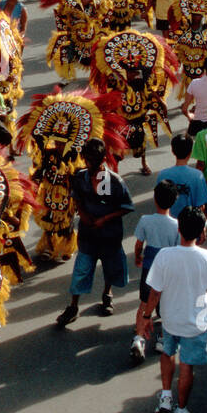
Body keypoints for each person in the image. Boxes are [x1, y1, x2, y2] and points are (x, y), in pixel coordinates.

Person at [137, 207, 207, 413]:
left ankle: (166, 395)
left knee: (167, 353)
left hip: (170, 319)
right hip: (196, 324)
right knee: (187, 367)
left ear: (179, 229)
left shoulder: (165, 256)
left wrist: (147, 316)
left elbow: (154, 292)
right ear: (202, 232)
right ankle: (181, 410)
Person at [57, 138, 134, 326]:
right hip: (88, 235)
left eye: (94, 161)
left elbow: (127, 206)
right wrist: (82, 214)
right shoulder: (80, 177)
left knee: (110, 267)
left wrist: (105, 219)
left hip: (109, 235)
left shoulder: (115, 181)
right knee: (81, 269)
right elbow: (77, 199)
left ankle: (107, 294)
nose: (90, 164)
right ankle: (73, 306)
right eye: (88, 160)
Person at [130, 180, 181, 362]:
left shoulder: (146, 221)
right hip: (167, 270)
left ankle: (139, 338)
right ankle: (162, 339)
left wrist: (138, 257)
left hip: (149, 268)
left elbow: (138, 245)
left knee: (144, 303)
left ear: (154, 198)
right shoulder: (176, 225)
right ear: (174, 200)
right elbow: (177, 250)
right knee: (165, 307)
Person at [153, 132, 207, 220]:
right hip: (190, 225)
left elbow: (158, 202)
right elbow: (201, 205)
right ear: (191, 152)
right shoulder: (197, 175)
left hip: (169, 222)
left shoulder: (162, 175)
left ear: (173, 151)